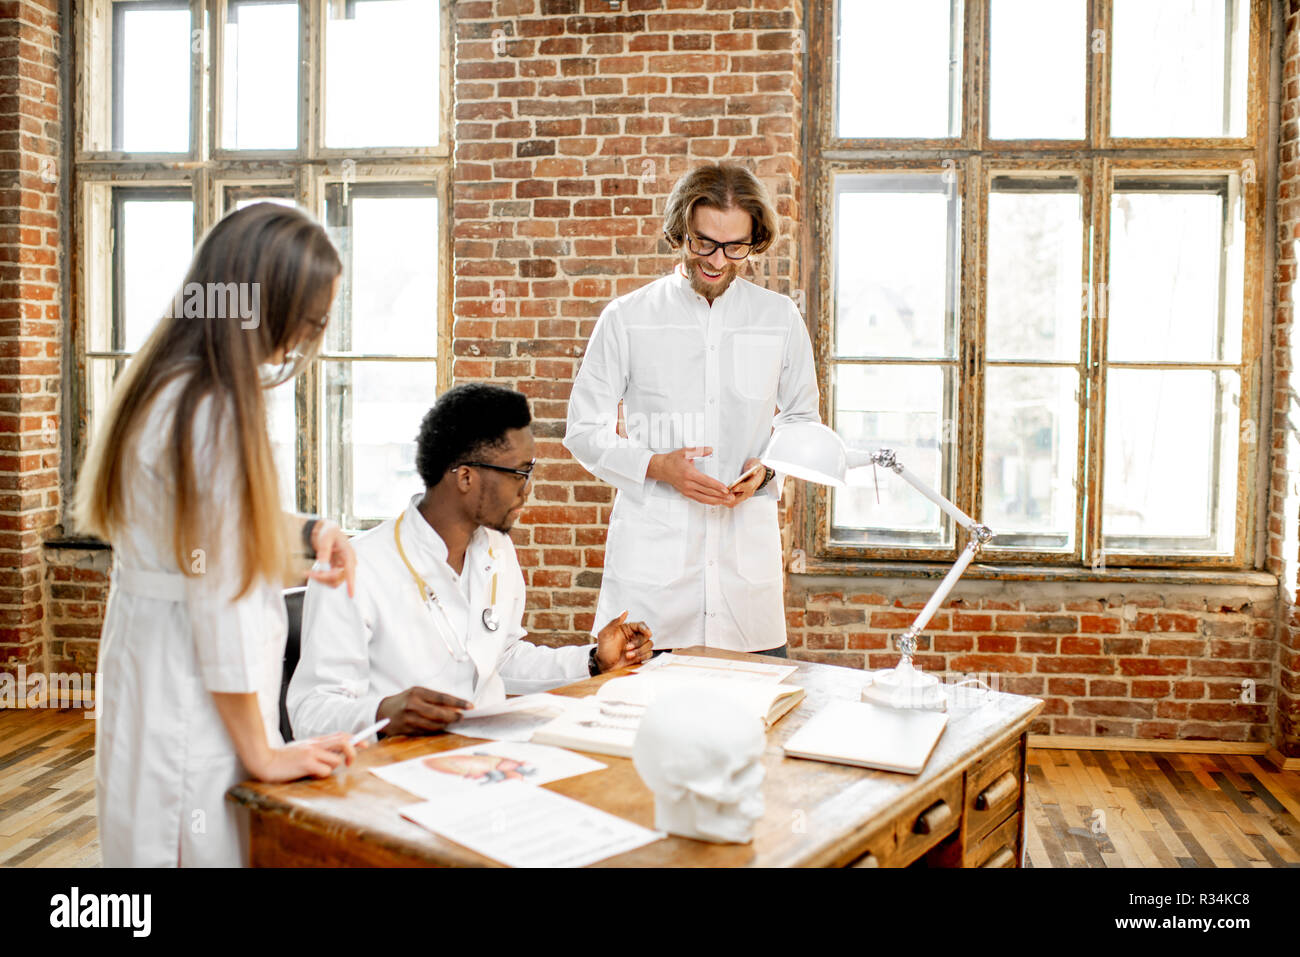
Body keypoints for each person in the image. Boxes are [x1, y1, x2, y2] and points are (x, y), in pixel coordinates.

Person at [76, 203, 361, 867]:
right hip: (192, 701)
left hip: (152, 669)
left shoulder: (168, 384)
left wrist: (311, 528)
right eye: (310, 318)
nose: (303, 340)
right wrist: (264, 750)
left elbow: (203, 527)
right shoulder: (214, 414)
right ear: (268, 303)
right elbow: (221, 598)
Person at [288, 384, 654, 739]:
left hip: (485, 759)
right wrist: (383, 714)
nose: (528, 489)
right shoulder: (355, 568)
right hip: (391, 772)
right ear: (466, 477)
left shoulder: (497, 550)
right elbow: (311, 712)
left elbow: (500, 662)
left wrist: (593, 662)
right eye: (520, 473)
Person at [564, 162, 820, 656]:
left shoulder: (778, 318)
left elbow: (803, 421)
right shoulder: (627, 318)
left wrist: (768, 471)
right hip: (654, 587)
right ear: (681, 229)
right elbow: (583, 430)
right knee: (639, 723)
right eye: (704, 242)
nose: (718, 261)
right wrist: (657, 466)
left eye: (735, 247)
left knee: (752, 725)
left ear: (754, 240)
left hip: (744, 582)